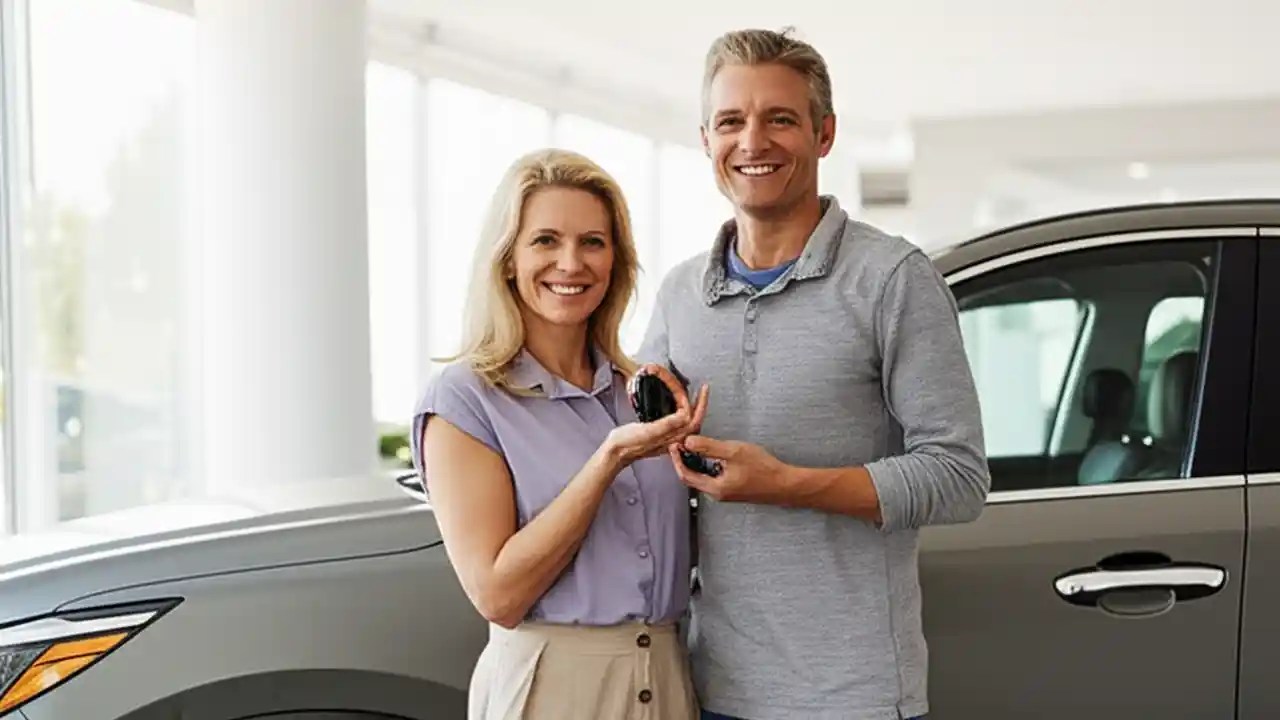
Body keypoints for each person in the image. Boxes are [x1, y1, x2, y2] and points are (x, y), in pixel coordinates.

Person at [638, 28, 991, 720]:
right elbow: (650, 469)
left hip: (854, 696)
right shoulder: (680, 295)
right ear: (706, 140)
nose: (753, 142)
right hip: (714, 687)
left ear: (824, 134)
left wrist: (786, 484)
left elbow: (958, 476)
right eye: (730, 122)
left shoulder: (893, 278)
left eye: (779, 119)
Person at [411, 148, 709, 719]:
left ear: (616, 261)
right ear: (508, 260)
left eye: (592, 242)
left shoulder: (639, 390)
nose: (571, 263)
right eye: (545, 241)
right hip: (552, 688)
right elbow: (498, 595)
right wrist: (608, 460)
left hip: (668, 678)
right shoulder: (464, 399)